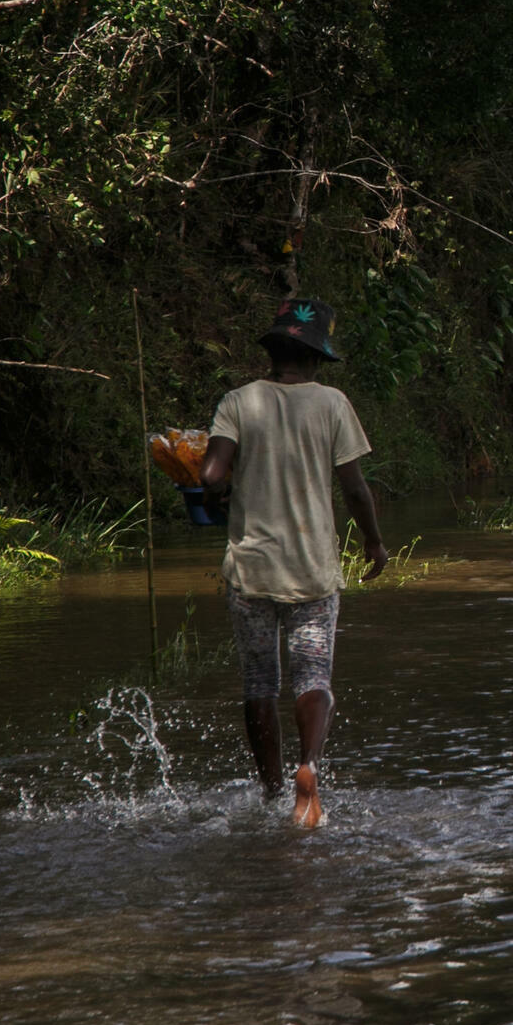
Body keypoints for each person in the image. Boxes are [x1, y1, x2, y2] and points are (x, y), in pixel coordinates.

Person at [196, 298, 388, 828]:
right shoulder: (331, 404)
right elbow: (353, 488)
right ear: (316, 359)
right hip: (311, 568)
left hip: (251, 570)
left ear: (274, 353)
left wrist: (213, 486)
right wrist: (373, 543)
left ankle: (271, 790)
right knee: (313, 677)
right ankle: (309, 767)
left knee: (260, 683)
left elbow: (212, 474)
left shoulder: (238, 401)